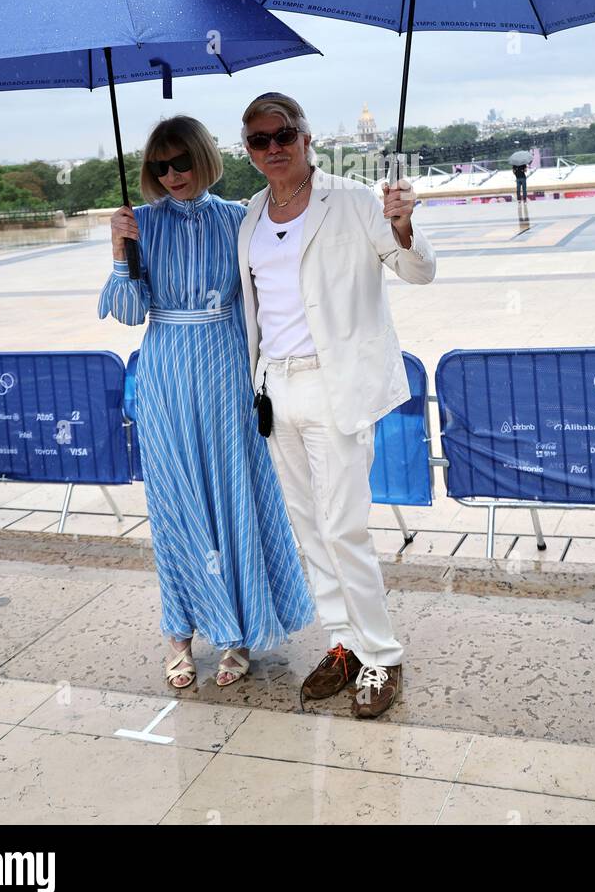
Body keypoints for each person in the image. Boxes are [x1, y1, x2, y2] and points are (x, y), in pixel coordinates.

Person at [236, 92, 436, 719]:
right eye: (258, 140)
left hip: (334, 382)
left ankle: (382, 655)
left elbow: (416, 272)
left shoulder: (352, 200)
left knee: (344, 525)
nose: (272, 149)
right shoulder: (249, 215)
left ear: (306, 137)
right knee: (308, 527)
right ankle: (342, 642)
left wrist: (403, 224)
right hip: (275, 385)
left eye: (283, 135)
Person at [99, 115, 315, 692]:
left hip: (226, 372)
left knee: (231, 497)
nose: (171, 175)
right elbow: (126, 311)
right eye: (159, 167)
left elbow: (272, 293)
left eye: (181, 162)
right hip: (167, 374)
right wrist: (121, 252)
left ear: (204, 158)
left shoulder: (238, 220)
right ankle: (179, 635)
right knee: (175, 506)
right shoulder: (139, 225)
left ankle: (236, 632)